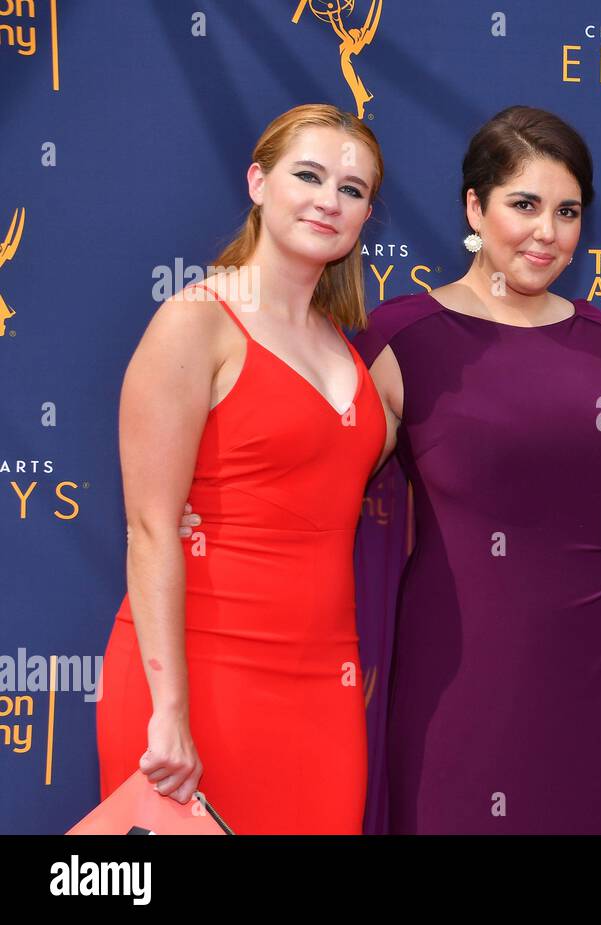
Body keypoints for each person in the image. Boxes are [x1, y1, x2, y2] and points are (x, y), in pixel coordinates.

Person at [353, 106, 601, 834]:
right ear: (474, 206)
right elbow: (325, 491)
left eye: (567, 211)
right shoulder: (403, 338)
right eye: (524, 205)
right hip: (462, 677)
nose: (546, 232)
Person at [96, 103, 388, 834]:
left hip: (325, 686)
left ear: (366, 216)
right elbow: (152, 526)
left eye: (351, 190)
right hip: (196, 677)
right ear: (258, 181)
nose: (329, 199)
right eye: (309, 175)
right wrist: (169, 711)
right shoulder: (194, 322)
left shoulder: (348, 349)